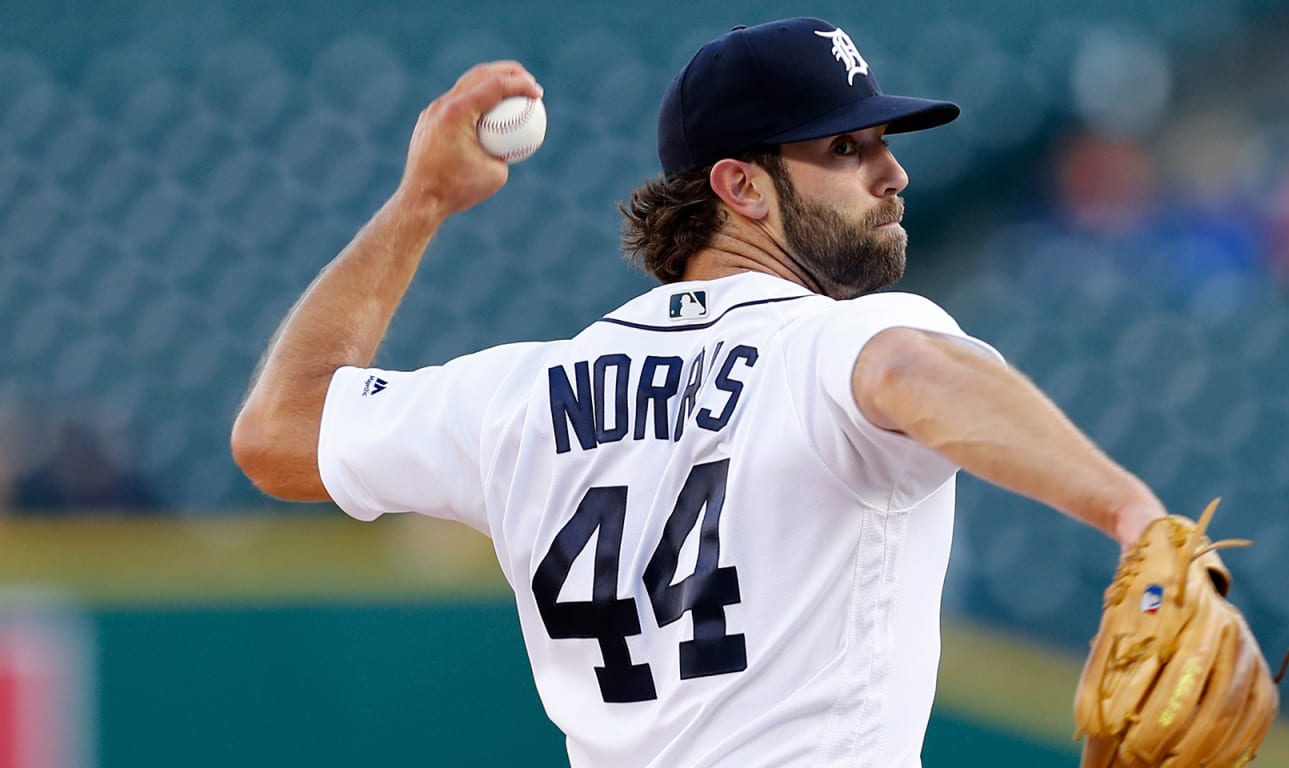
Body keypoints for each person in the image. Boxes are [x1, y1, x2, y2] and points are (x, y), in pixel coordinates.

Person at [231, 17, 1167, 768]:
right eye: (847, 147)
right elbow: (909, 374)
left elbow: (279, 430)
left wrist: (419, 203)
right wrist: (1131, 514)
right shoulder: (830, 345)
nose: (894, 174)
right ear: (740, 187)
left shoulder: (522, 393)